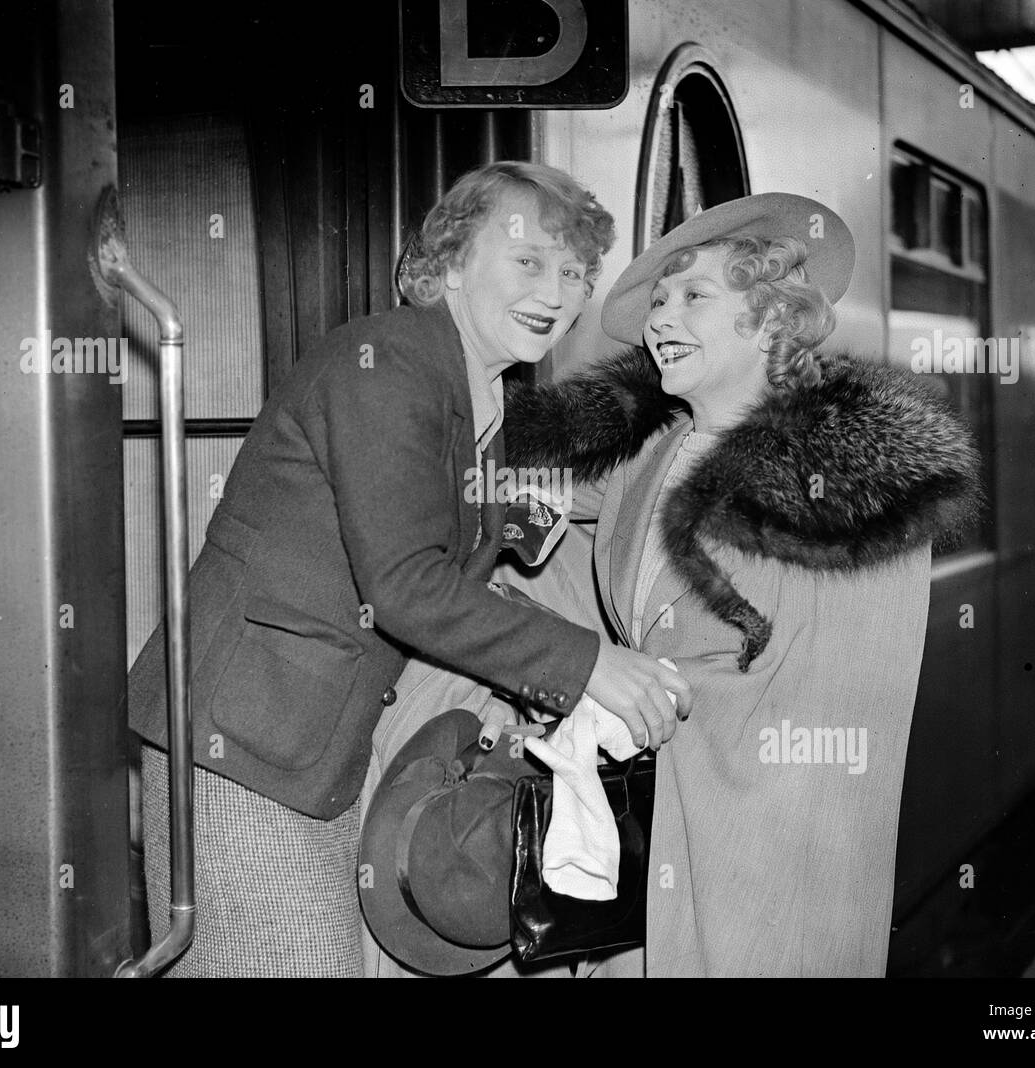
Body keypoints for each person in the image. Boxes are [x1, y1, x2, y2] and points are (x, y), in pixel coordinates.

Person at [128, 161, 692, 977]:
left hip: (303, 744)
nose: (557, 292)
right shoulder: (390, 363)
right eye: (528, 260)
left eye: (576, 273)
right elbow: (406, 586)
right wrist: (588, 665)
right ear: (453, 263)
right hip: (244, 739)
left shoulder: (475, 394)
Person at [501, 192, 983, 976]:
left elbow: (835, 699)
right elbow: (528, 517)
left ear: (769, 321)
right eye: (658, 301)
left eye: (693, 296)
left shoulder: (849, 483)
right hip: (653, 857)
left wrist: (629, 697)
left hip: (770, 878)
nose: (661, 320)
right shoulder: (650, 460)